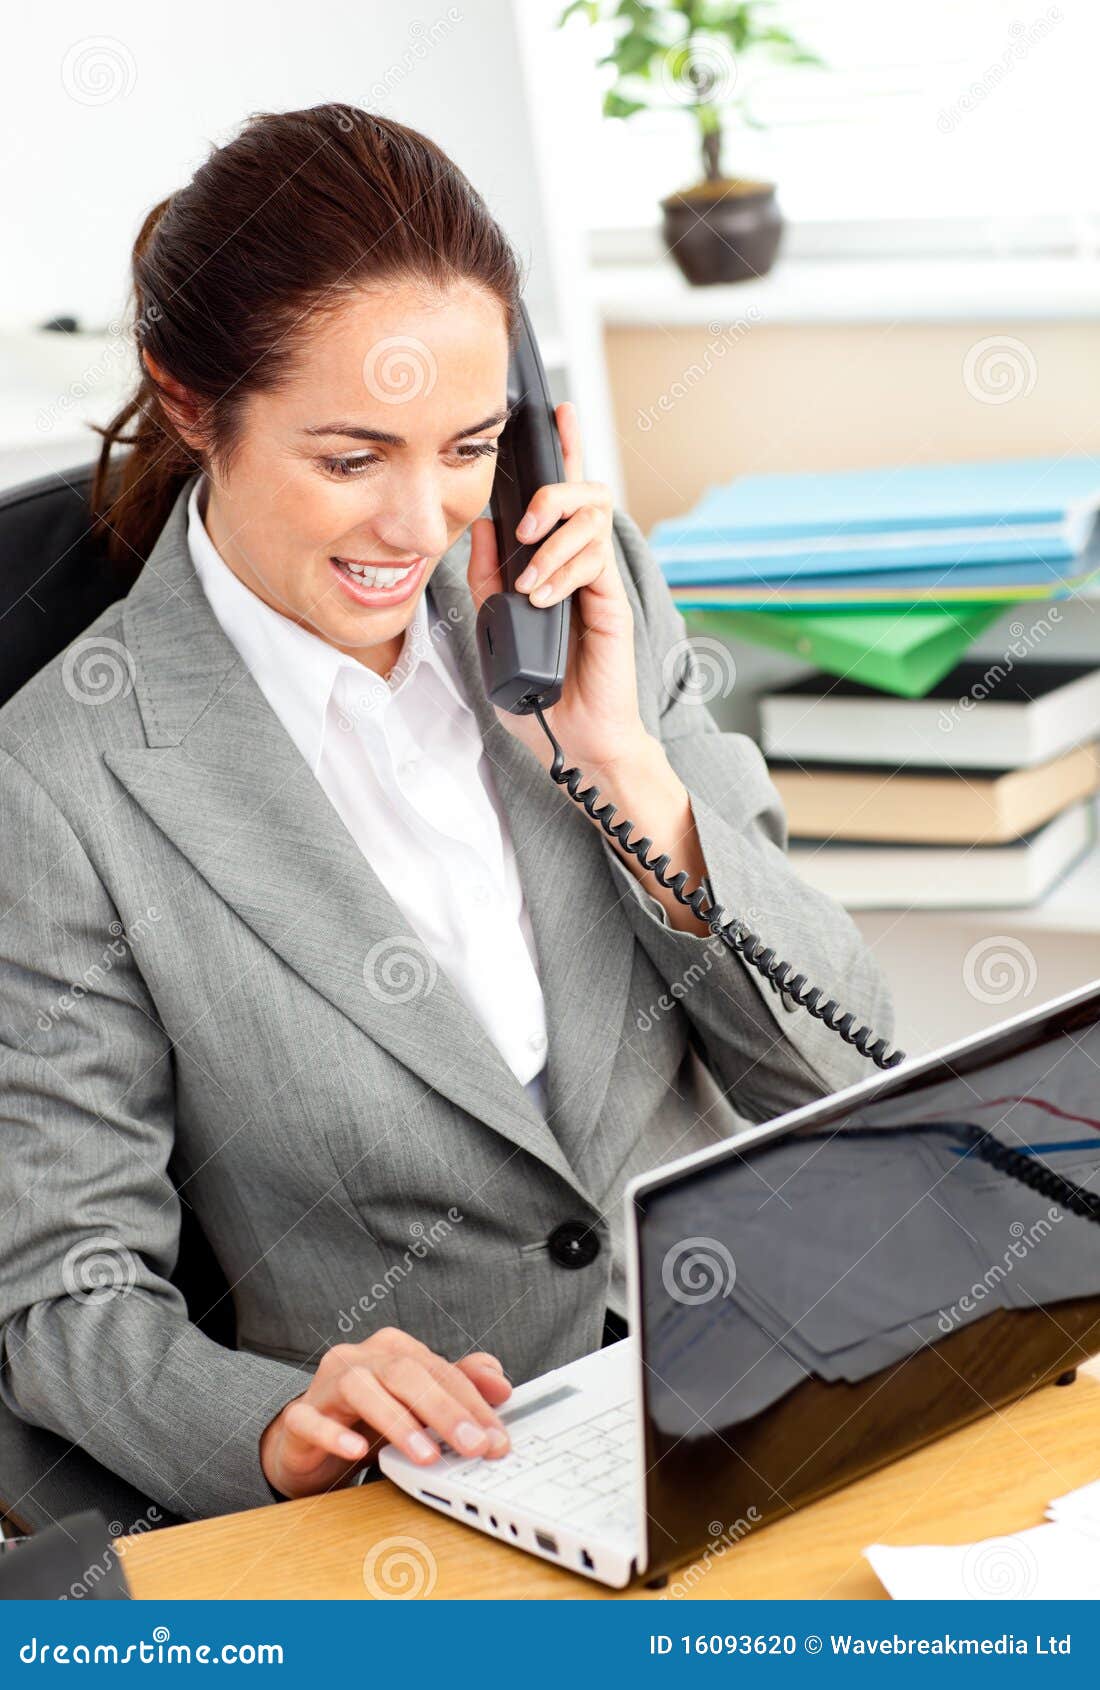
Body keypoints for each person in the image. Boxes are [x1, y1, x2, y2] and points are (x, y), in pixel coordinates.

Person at [0, 104, 895, 1521]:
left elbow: (848, 1084)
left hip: (779, 1396)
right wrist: (283, 1421)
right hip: (433, 1506)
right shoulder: (61, 779)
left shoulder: (582, 597)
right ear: (190, 402)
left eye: (472, 444)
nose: (423, 525)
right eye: (352, 459)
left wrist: (628, 772)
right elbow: (60, 1291)